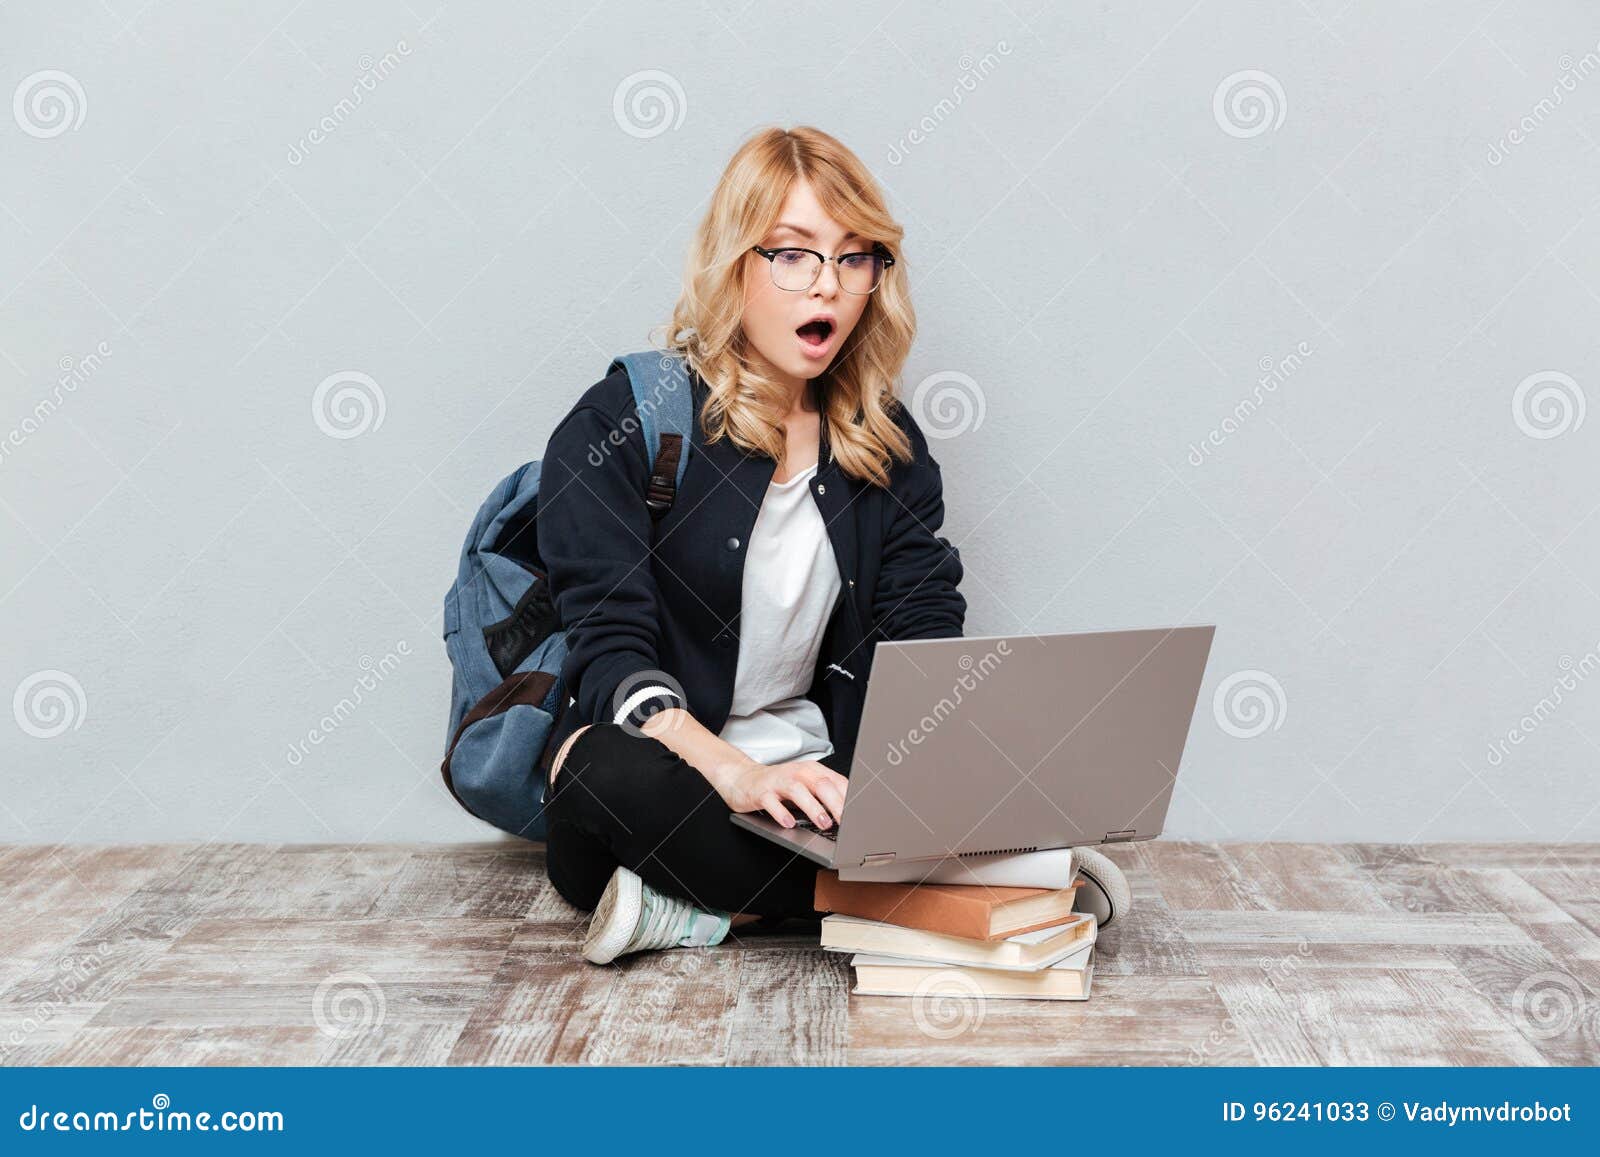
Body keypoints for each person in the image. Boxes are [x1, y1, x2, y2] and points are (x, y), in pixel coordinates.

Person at [535, 125, 966, 964]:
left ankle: (711, 910)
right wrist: (737, 774)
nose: (830, 287)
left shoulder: (885, 443)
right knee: (597, 769)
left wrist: (931, 790)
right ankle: (951, 902)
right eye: (795, 255)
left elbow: (923, 630)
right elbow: (609, 655)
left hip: (820, 782)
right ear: (736, 263)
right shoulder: (622, 421)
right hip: (680, 771)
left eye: (854, 257)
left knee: (974, 766)